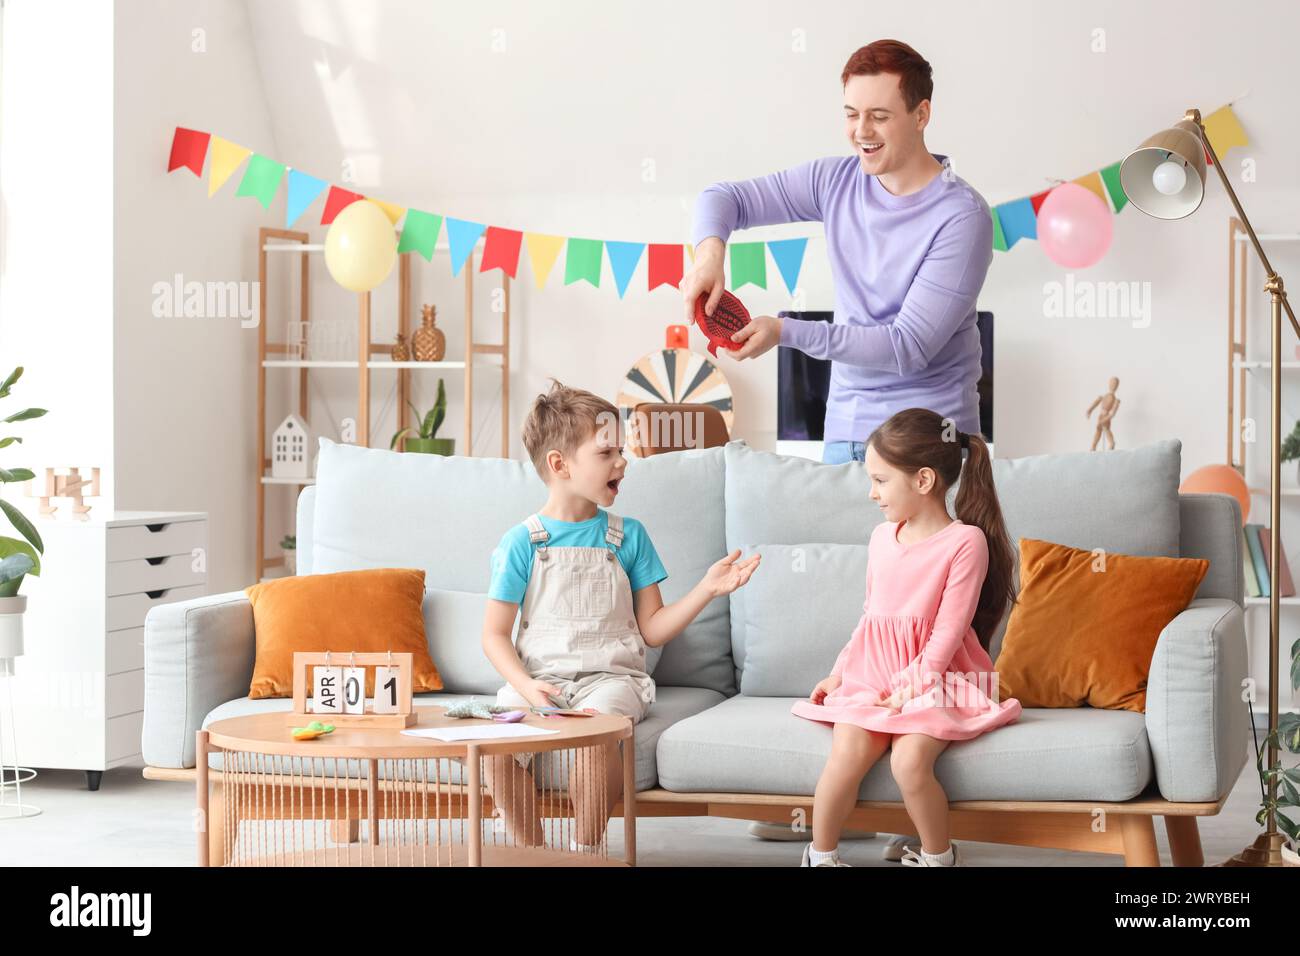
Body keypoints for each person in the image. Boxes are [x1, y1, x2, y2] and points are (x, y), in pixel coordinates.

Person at [683, 39, 994, 467]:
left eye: (879, 116)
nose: (861, 131)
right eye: (851, 114)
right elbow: (723, 197)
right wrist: (709, 255)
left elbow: (907, 347)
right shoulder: (835, 181)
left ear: (921, 115)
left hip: (933, 444)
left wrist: (785, 331)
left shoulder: (963, 216)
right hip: (846, 437)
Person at [480, 379, 761, 850]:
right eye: (607, 453)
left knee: (596, 732)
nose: (623, 462)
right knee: (496, 750)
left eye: (621, 452)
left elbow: (653, 630)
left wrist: (707, 589)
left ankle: (587, 852)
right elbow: (493, 635)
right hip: (538, 680)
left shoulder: (628, 536)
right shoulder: (521, 543)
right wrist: (527, 687)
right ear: (559, 464)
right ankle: (532, 855)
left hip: (610, 682)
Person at [791, 408, 1021, 867]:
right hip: (871, 675)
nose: (871, 492)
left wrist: (910, 689)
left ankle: (939, 857)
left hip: (935, 677)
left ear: (923, 481)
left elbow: (948, 631)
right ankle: (820, 856)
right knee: (847, 753)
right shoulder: (881, 537)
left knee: (909, 763)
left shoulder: (965, 542)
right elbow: (869, 616)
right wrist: (839, 673)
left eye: (880, 480)